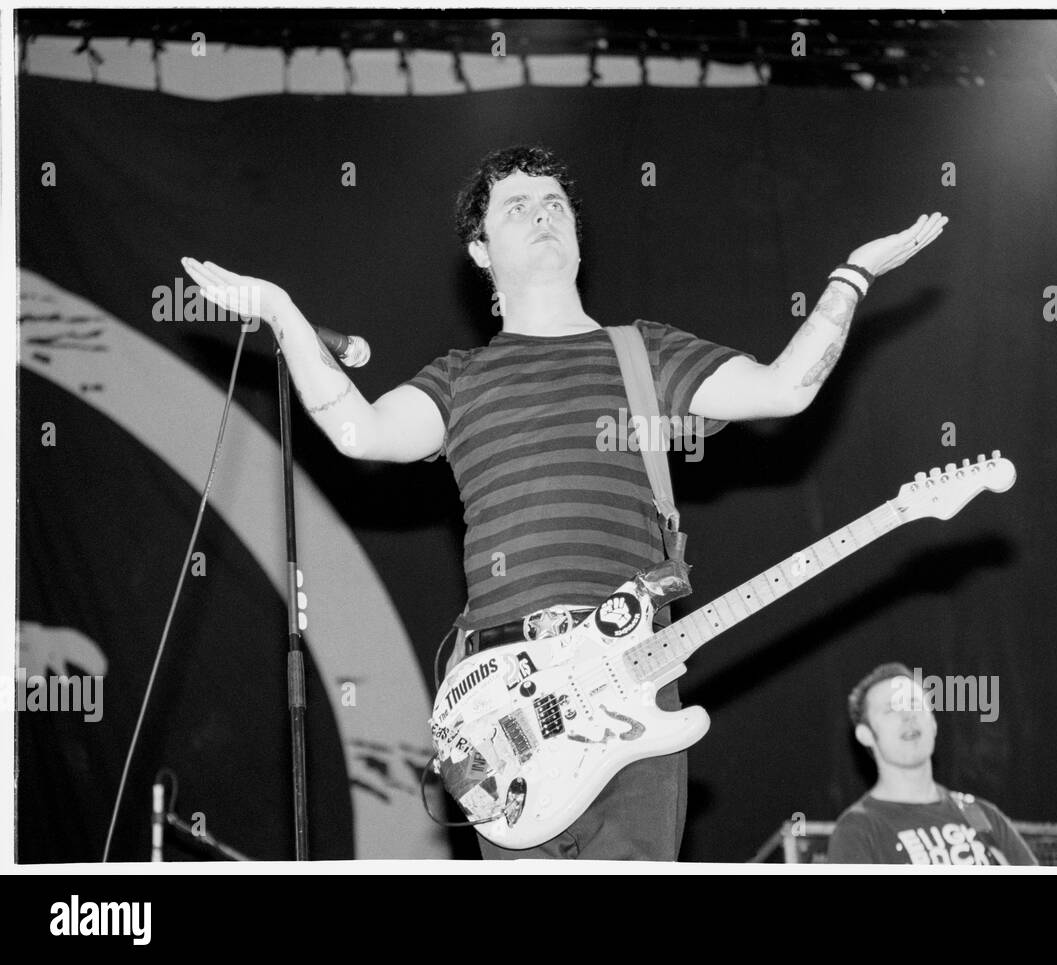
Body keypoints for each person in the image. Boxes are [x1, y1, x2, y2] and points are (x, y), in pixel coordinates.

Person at [182, 145, 946, 860]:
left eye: (555, 203)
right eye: (517, 206)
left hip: (633, 690)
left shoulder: (643, 352)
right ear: (480, 252)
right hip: (504, 714)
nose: (543, 212)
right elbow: (360, 432)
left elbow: (787, 386)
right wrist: (284, 315)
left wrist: (852, 275)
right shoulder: (459, 378)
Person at [828, 662, 1037, 865]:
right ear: (866, 735)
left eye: (915, 704)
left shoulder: (979, 814)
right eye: (891, 709)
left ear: (933, 723)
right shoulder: (858, 829)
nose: (908, 715)